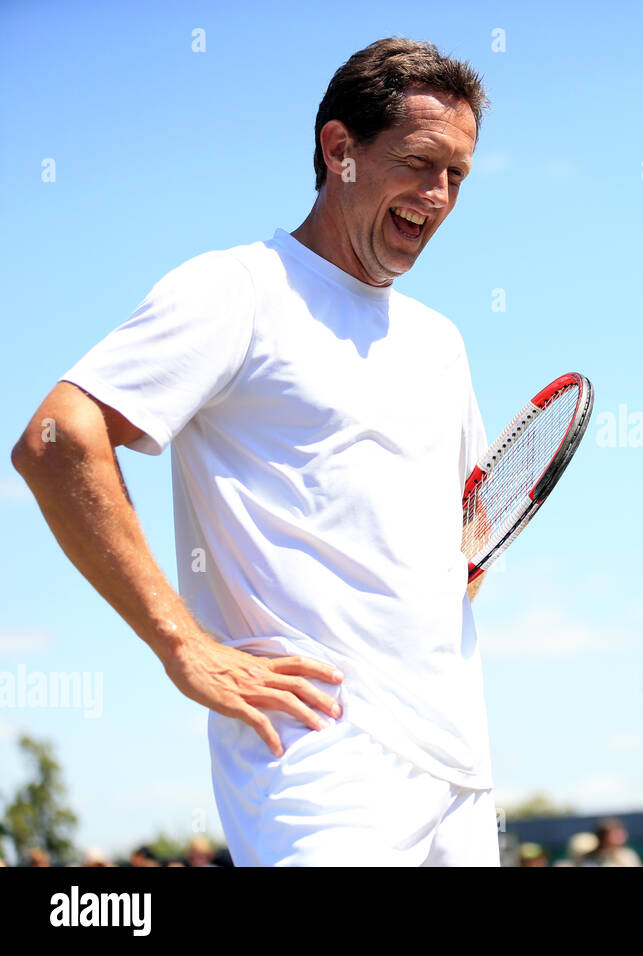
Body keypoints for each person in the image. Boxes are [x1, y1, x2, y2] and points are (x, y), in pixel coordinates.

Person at [11, 38, 497, 866]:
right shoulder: (239, 289)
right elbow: (55, 439)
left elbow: (460, 538)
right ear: (339, 150)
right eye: (421, 164)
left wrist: (459, 568)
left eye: (458, 175)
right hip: (320, 765)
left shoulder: (440, 342)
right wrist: (182, 643)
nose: (439, 194)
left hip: (460, 766)